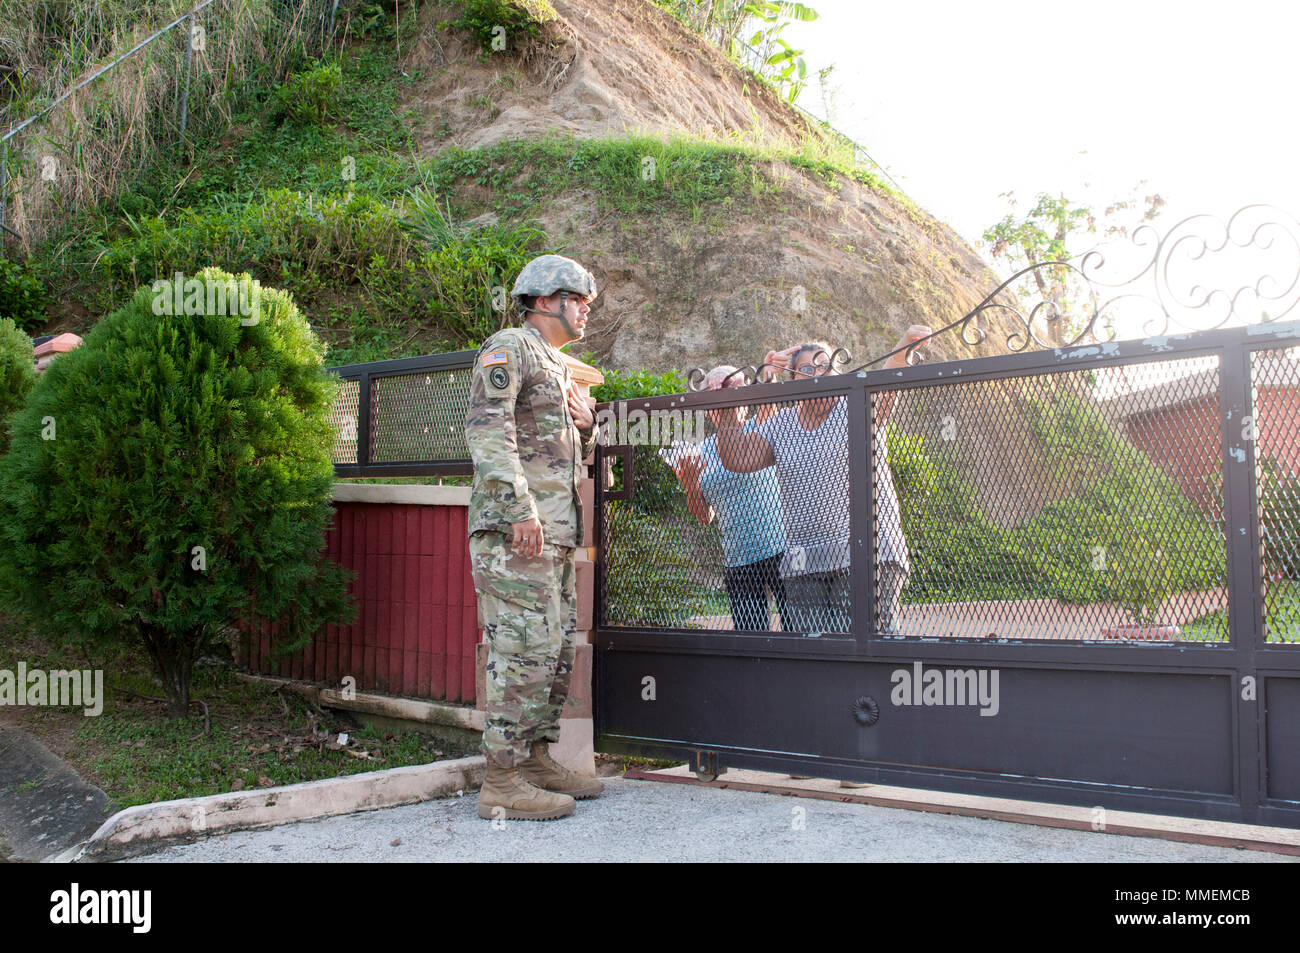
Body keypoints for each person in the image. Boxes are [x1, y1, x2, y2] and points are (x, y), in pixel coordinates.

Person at [464, 254, 606, 821]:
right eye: (580, 300)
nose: (586, 310)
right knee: (520, 650)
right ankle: (500, 781)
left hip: (554, 539)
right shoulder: (509, 348)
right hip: (515, 535)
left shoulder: (562, 366)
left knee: (551, 654)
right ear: (545, 300)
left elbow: (571, 455)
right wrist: (520, 510)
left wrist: (588, 422)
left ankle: (537, 761)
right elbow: (486, 431)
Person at [714, 328, 928, 636]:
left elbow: (887, 384)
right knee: (814, 655)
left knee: (863, 650)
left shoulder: (857, 405)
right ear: (791, 379)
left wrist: (905, 345)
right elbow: (738, 458)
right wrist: (731, 405)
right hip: (804, 563)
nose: (817, 372)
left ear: (837, 370)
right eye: (805, 368)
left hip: (864, 554)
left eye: (825, 364)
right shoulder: (781, 424)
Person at [672, 365, 787, 632]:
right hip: (739, 562)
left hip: (782, 553)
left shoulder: (761, 429)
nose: (723, 402)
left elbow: (769, 401)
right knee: (751, 641)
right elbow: (704, 517)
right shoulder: (701, 452)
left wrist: (770, 373)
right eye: (714, 396)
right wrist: (690, 485)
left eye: (731, 391)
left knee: (798, 631)